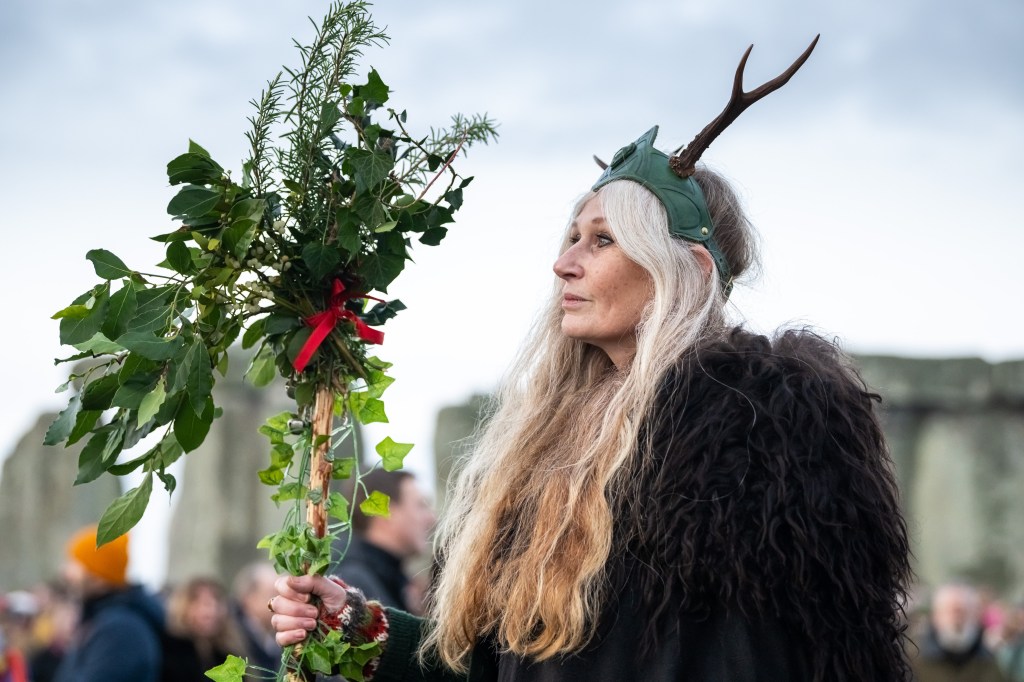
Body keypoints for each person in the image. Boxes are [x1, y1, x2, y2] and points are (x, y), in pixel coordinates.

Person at [268, 37, 913, 681]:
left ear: (683, 268)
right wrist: (358, 625)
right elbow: (494, 667)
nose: (563, 263)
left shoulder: (760, 441)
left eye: (603, 240)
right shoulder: (539, 448)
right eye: (572, 237)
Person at [52, 525, 164, 682]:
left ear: (98, 575)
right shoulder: (103, 620)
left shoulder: (120, 630)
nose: (66, 572)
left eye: (76, 564)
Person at [332, 470, 436, 613]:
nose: (431, 518)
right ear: (384, 511)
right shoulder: (355, 585)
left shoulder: (391, 580)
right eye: (420, 506)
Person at [910, 583, 1007, 682]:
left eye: (963, 612)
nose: (957, 620)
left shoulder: (992, 661)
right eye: (951, 612)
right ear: (936, 616)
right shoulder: (913, 658)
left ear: (976, 616)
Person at [160, 577, 244, 682]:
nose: (209, 611)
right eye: (198, 602)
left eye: (215, 601)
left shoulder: (228, 654)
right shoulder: (168, 651)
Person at [230, 562, 282, 679]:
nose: (281, 602)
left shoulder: (275, 633)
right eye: (273, 595)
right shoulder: (230, 638)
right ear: (249, 598)